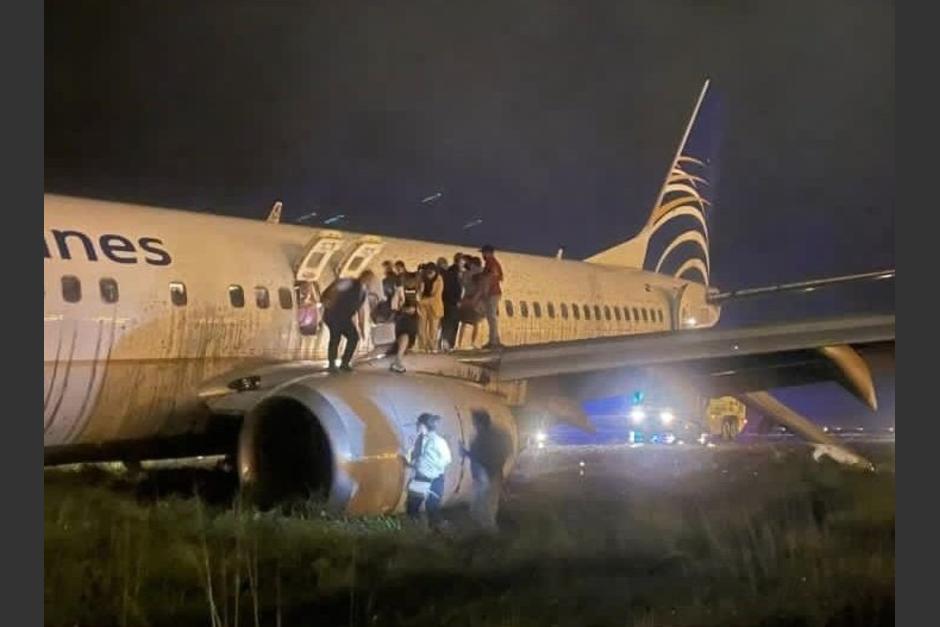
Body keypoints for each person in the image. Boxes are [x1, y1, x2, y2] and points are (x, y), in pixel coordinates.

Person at [462, 409, 513, 531]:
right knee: (484, 505)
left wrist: (465, 453)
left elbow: (480, 455)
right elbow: (507, 451)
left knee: (485, 507)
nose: (473, 424)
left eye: (474, 421)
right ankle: (482, 533)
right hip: (492, 474)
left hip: (486, 475)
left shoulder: (485, 436)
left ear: (479, 422)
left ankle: (488, 534)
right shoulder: (498, 434)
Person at [404, 413, 452, 526]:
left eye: (418, 424)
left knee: (432, 507)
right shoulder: (419, 440)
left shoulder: (438, 441)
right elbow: (415, 456)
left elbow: (447, 459)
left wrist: (431, 467)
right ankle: (414, 529)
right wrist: (411, 460)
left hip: (434, 479)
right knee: (412, 506)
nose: (417, 427)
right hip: (420, 478)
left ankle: (437, 531)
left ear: (423, 425)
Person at [321, 270, 374, 372]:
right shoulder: (349, 282)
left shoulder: (363, 291)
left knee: (353, 337)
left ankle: (345, 363)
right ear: (363, 276)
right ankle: (332, 364)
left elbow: (360, 310)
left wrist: (361, 328)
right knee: (335, 337)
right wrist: (328, 301)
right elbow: (335, 289)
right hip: (334, 314)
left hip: (345, 317)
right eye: (369, 279)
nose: (370, 281)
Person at [388, 268, 419, 373]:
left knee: (406, 339)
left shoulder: (411, 289)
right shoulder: (403, 290)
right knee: (405, 336)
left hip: (409, 318)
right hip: (404, 318)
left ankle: (397, 360)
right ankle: (398, 361)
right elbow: (395, 305)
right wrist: (405, 309)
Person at [457, 256, 486, 349]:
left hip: (471, 299)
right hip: (474, 300)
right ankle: (468, 343)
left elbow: (462, 283)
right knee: (473, 322)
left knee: (467, 322)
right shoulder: (477, 273)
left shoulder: (470, 273)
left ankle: (461, 343)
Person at [480, 244, 504, 348]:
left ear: (488, 253)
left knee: (491, 317)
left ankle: (493, 341)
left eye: (483, 253)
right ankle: (495, 340)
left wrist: (485, 290)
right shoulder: (492, 263)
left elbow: (492, 276)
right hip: (494, 292)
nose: (482, 255)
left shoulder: (491, 263)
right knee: (491, 317)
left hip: (492, 293)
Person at [417, 262, 444, 352]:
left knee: (433, 328)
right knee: (421, 326)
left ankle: (433, 347)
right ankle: (423, 347)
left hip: (434, 305)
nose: (429, 275)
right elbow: (418, 290)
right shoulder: (422, 277)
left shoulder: (439, 279)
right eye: (428, 272)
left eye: (431, 273)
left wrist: (421, 301)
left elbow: (436, 296)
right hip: (423, 306)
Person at [440, 253, 464, 351]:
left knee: (450, 323)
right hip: (452, 302)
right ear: (459, 261)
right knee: (451, 323)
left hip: (450, 301)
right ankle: (447, 344)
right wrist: (456, 301)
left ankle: (447, 344)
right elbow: (451, 288)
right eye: (463, 261)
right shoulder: (453, 272)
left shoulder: (453, 271)